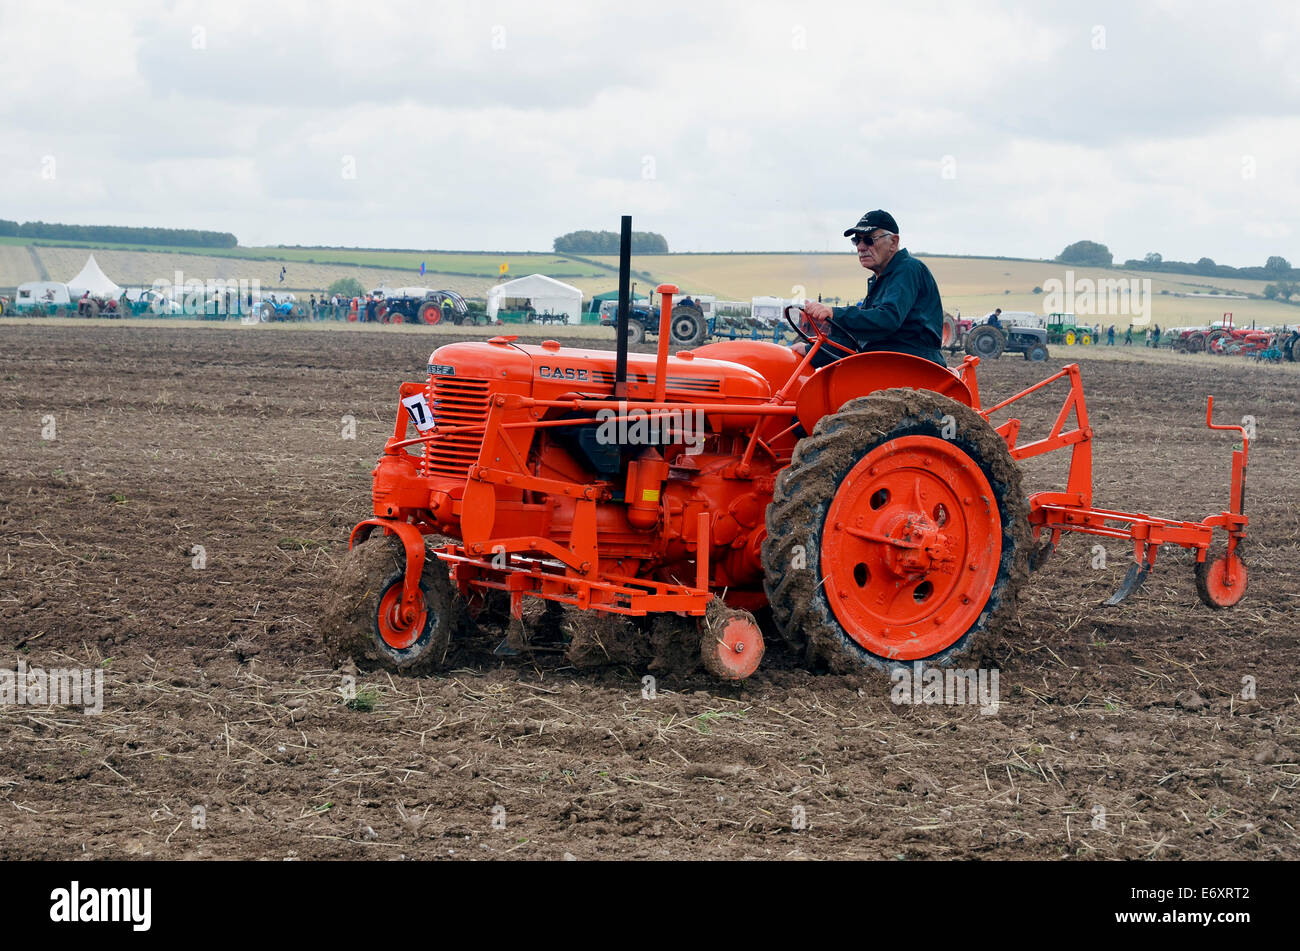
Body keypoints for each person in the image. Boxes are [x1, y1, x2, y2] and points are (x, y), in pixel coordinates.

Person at [797, 209, 945, 368]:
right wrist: (808, 350)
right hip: (887, 361)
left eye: (868, 240)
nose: (860, 247)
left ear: (893, 242)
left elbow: (888, 319)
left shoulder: (908, 269)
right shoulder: (881, 279)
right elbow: (853, 336)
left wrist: (835, 313)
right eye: (856, 241)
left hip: (910, 364)